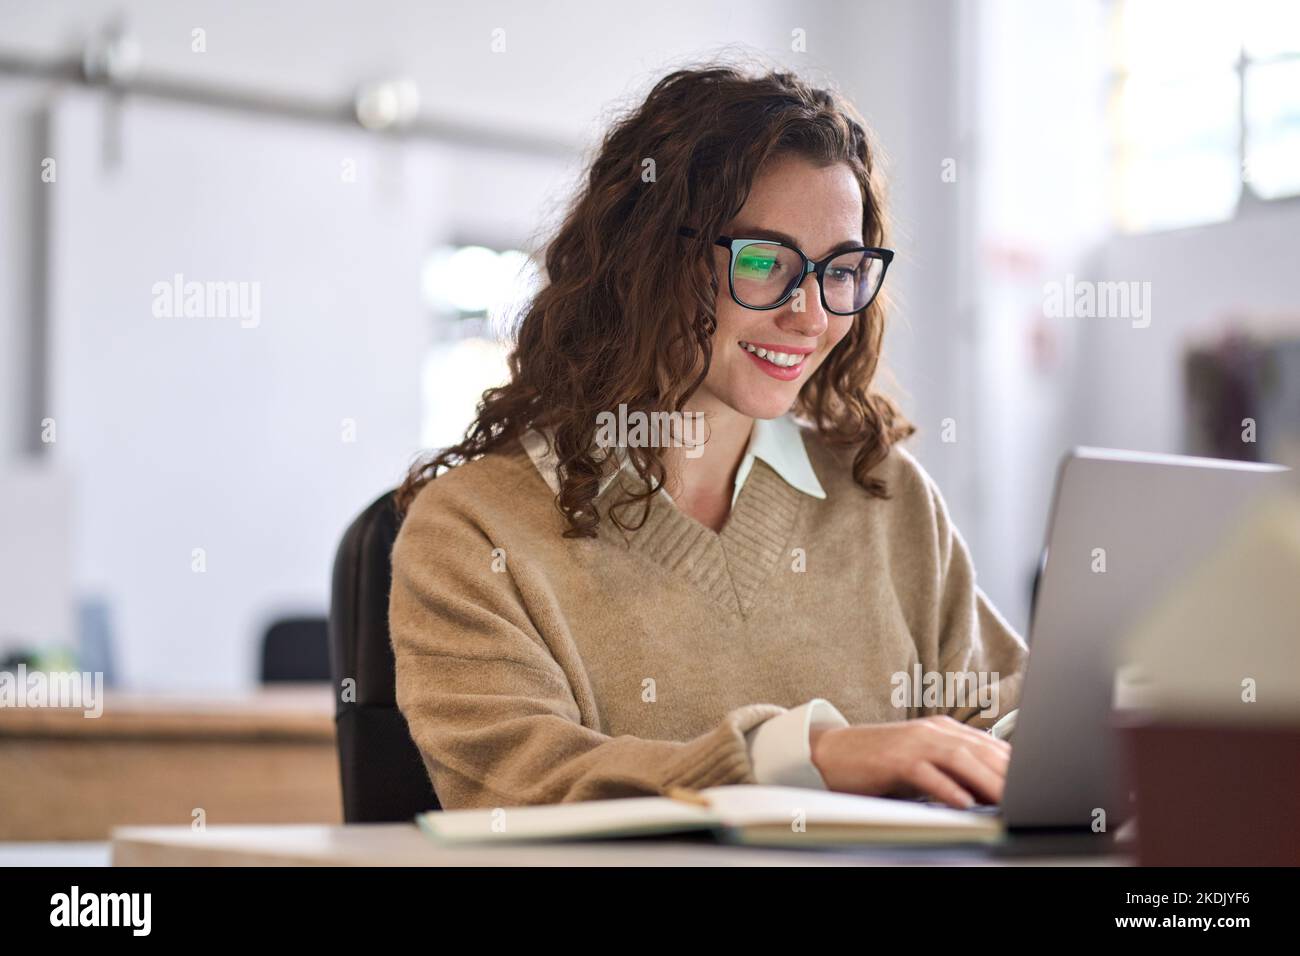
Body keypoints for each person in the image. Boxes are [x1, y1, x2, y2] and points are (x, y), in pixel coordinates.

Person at [390, 65, 1027, 811]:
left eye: (842, 271)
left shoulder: (885, 496)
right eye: (763, 262)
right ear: (645, 261)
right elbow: (524, 785)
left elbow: (1005, 722)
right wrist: (808, 757)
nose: (812, 317)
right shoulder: (472, 530)